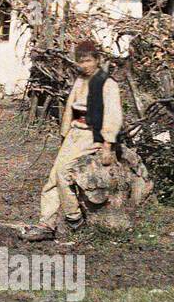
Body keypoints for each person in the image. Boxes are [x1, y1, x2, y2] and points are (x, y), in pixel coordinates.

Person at [22, 39, 123, 241]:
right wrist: (64, 133)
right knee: (53, 177)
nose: (84, 65)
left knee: (63, 172)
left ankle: (74, 218)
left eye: (88, 61)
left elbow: (113, 115)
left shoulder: (106, 83)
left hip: (92, 134)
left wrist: (107, 144)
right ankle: (47, 223)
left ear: (97, 60)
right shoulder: (79, 81)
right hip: (74, 134)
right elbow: (69, 109)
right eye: (80, 61)